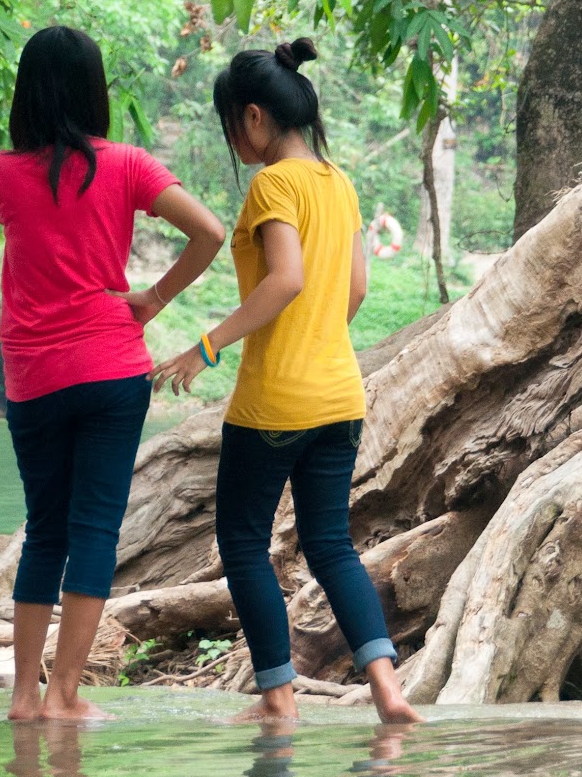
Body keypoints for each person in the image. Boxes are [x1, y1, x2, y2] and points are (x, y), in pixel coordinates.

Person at [153, 37, 421, 725]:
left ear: (252, 118)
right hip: (339, 394)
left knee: (243, 542)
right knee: (330, 543)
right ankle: (388, 692)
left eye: (228, 126)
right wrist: (320, 337)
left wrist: (203, 347)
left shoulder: (273, 184)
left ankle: (277, 697)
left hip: (275, 397)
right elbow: (354, 288)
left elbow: (287, 279)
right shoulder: (338, 182)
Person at [0, 25, 224, 722]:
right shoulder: (126, 165)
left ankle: (24, 698)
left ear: (26, 91)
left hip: (32, 372)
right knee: (94, 530)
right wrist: (155, 297)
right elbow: (210, 231)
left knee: (45, 530)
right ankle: (67, 695)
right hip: (110, 366)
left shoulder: (0, 171)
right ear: (95, 91)